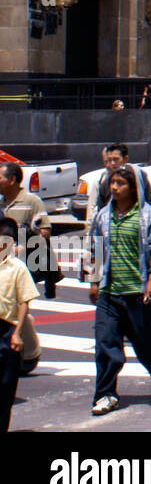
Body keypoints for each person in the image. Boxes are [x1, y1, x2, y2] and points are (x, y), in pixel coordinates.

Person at [86, 166, 151, 416]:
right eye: (112, 183)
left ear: (134, 188)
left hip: (137, 292)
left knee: (144, 341)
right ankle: (105, 394)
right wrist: (93, 282)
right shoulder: (103, 215)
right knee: (105, 344)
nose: (114, 188)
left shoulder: (147, 215)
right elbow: (96, 250)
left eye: (120, 183)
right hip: (109, 292)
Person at [0, 218, 37, 431]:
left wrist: (18, 333)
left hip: (8, 330)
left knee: (6, 385)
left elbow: (24, 301)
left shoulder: (17, 268)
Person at [0, 163, 57, 298]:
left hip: (22, 267)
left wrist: (23, 247)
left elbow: (45, 232)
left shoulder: (32, 202)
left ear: (12, 180)